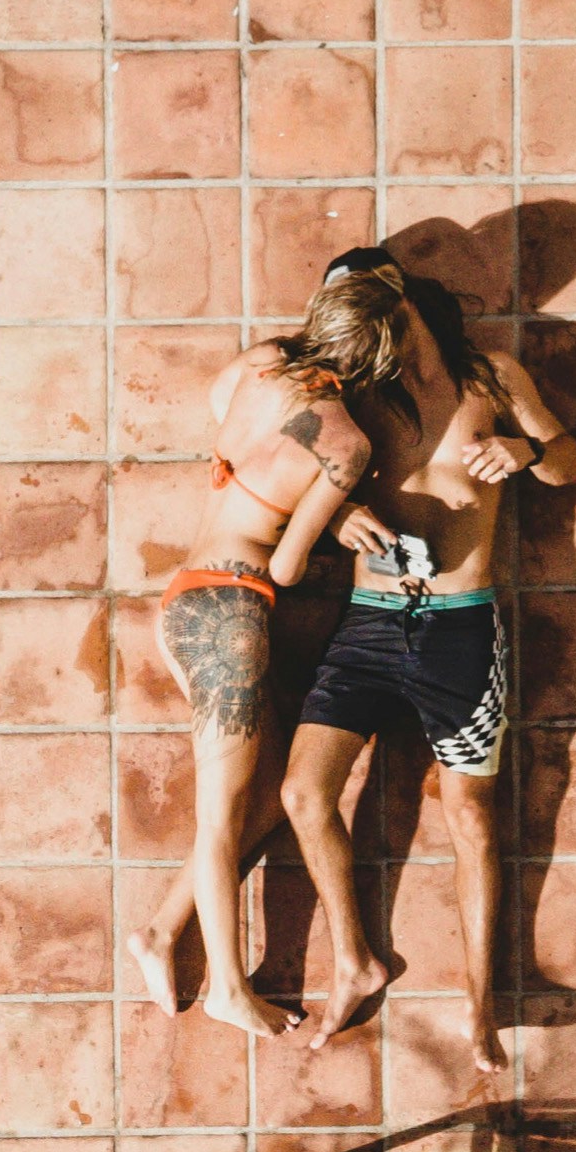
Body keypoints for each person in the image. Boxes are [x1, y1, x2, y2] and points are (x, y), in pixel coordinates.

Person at [282, 256, 576, 1076]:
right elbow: (275, 471)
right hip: (370, 622)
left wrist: (525, 450)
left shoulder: (491, 374)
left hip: (460, 626)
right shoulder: (345, 385)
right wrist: (341, 514)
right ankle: (357, 961)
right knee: (304, 793)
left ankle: (481, 1010)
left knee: (474, 820)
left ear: (400, 303)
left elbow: (569, 465)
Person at [127, 271, 407, 1039]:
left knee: (261, 806)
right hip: (235, 608)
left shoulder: (260, 364)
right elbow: (287, 565)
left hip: (195, 586)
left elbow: (227, 424)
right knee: (222, 818)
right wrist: (340, 508)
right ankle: (224, 985)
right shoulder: (348, 442)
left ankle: (158, 932)